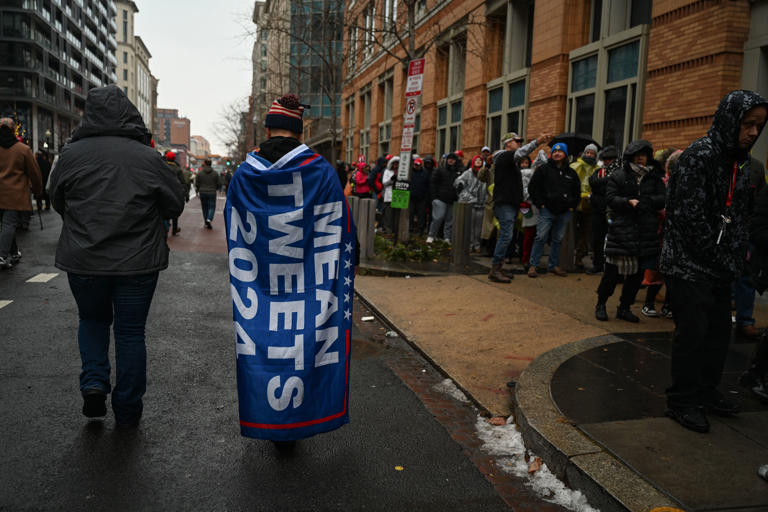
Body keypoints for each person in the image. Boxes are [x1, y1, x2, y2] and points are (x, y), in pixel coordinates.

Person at [47, 85, 184, 427]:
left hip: (84, 259)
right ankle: (128, 408)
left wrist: (82, 223)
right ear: (129, 114)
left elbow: (56, 199)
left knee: (92, 321)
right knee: (130, 332)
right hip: (137, 262)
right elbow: (174, 203)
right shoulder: (148, 157)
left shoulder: (71, 155)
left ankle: (94, 383)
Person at [225, 93, 356, 446]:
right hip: (308, 280)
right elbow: (340, 225)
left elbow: (235, 226)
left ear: (267, 129)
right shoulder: (321, 172)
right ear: (299, 132)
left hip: (259, 280)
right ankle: (298, 419)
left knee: (266, 337)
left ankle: (271, 418)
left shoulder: (243, 175)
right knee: (302, 339)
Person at [661, 89, 768, 433]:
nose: (753, 132)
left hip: (722, 266)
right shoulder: (698, 156)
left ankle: (706, 392)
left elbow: (739, 213)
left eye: (759, 126)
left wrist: (738, 255)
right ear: (730, 120)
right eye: (748, 124)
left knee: (719, 335)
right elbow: (688, 218)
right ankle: (682, 400)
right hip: (689, 265)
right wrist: (719, 255)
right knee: (693, 335)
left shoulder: (739, 160)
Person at [594, 140, 666, 322]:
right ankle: (601, 304)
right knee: (611, 274)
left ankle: (624, 308)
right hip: (621, 230)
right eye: (637, 155)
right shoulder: (619, 175)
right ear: (630, 157)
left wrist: (647, 201)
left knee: (636, 276)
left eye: (644, 154)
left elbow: (663, 198)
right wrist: (628, 202)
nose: (641, 158)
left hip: (645, 232)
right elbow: (610, 198)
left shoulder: (655, 176)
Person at [488, 132, 549, 282]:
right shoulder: (504, 156)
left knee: (506, 236)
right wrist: (537, 141)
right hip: (505, 204)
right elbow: (522, 152)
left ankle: (498, 268)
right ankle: (495, 269)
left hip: (510, 204)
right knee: (506, 236)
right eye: (517, 141)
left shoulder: (510, 162)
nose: (519, 143)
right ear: (508, 143)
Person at [527, 142, 580, 278]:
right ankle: (533, 265)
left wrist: (572, 206)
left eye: (560, 151)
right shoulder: (543, 169)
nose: (557, 153)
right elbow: (533, 188)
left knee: (557, 239)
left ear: (565, 154)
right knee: (540, 237)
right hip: (547, 210)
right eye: (554, 151)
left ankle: (553, 265)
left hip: (564, 212)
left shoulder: (571, 173)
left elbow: (576, 191)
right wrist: (541, 204)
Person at [0, 118, 42, 269]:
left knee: (6, 224)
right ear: (13, 130)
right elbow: (34, 173)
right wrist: (38, 191)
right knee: (9, 223)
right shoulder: (23, 150)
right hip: (14, 193)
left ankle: (12, 252)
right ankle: (3, 255)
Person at [588, 146, 620, 274]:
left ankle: (612, 267)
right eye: (605, 159)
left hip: (613, 211)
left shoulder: (620, 172)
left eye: (610, 159)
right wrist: (605, 183)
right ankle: (598, 264)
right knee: (597, 239)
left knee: (613, 241)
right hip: (598, 211)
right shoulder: (599, 171)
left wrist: (602, 185)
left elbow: (611, 187)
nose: (607, 162)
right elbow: (593, 182)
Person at [570, 143, 599, 270]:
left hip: (589, 205)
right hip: (575, 203)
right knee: (571, 231)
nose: (590, 155)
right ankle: (568, 257)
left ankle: (579, 258)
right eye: (588, 152)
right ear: (583, 153)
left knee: (585, 233)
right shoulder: (575, 166)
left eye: (592, 153)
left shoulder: (597, 169)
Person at [427, 152, 462, 243]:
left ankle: (447, 238)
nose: (451, 160)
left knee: (449, 220)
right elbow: (433, 183)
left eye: (453, 159)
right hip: (440, 199)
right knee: (438, 217)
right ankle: (431, 235)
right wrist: (434, 198)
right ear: (446, 160)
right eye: (449, 159)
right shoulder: (440, 170)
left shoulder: (458, 172)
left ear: (455, 161)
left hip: (453, 199)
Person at [454, 155, 487, 252]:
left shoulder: (485, 172)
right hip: (470, 202)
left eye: (480, 160)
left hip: (482, 203)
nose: (478, 161)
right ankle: (470, 244)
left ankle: (477, 245)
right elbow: (459, 180)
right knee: (470, 225)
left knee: (479, 227)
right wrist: (460, 184)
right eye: (476, 160)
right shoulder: (468, 172)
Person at [195, 158, 221, 229]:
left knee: (204, 207)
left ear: (205, 163)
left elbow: (197, 183)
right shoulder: (215, 173)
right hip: (212, 192)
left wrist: (198, 189)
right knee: (212, 207)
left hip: (202, 192)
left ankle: (206, 221)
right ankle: (209, 219)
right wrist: (216, 188)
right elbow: (219, 183)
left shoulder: (200, 173)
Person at [165, 151, 185, 235]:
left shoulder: (162, 167)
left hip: (164, 192)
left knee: (164, 210)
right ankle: (174, 229)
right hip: (175, 193)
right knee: (174, 212)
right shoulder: (178, 169)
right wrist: (184, 194)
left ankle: (165, 228)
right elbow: (182, 182)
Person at [409, 157, 430, 235]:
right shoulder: (410, 172)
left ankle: (420, 230)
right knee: (410, 214)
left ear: (421, 165)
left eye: (418, 165)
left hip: (422, 198)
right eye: (415, 165)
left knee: (421, 215)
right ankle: (410, 229)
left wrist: (425, 196)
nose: (416, 166)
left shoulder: (425, 173)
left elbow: (428, 185)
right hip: (411, 197)